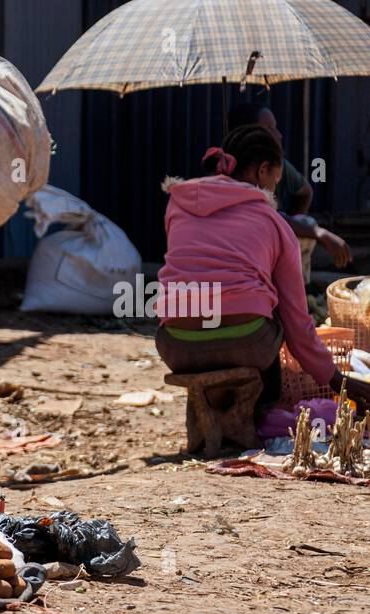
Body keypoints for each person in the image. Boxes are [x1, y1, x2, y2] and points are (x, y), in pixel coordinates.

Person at [157, 125, 370, 411]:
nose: (274, 191)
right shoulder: (273, 221)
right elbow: (297, 323)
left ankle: (213, 412)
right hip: (247, 345)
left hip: (175, 345)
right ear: (262, 170)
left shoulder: (177, 205)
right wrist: (337, 380)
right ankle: (262, 411)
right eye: (275, 181)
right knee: (278, 313)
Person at [227, 101, 353, 279]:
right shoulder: (226, 171)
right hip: (230, 271)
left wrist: (289, 227)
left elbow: (304, 193)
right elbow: (262, 214)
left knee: (303, 223)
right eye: (269, 128)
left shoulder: (278, 165)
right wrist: (318, 232)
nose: (279, 135)